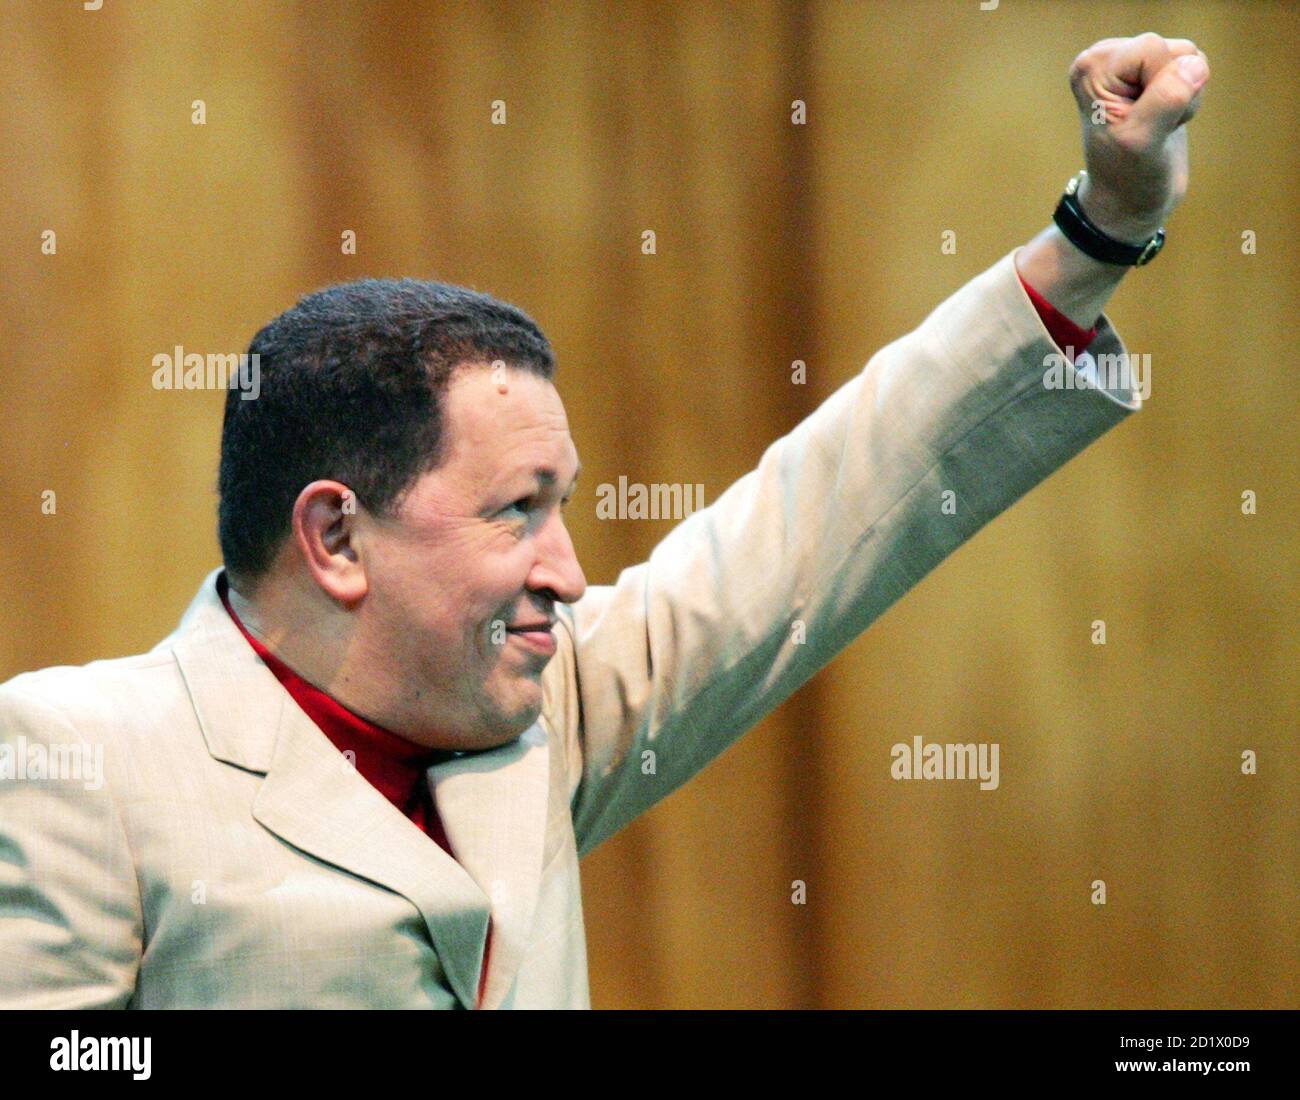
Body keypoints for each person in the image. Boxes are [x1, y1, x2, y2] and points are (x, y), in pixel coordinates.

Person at [0, 34, 1209, 1009]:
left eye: (562, 504)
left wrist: (1096, 231)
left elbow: (824, 514)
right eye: (516, 511)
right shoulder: (80, 758)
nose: (569, 574)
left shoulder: (545, 707)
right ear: (334, 537)